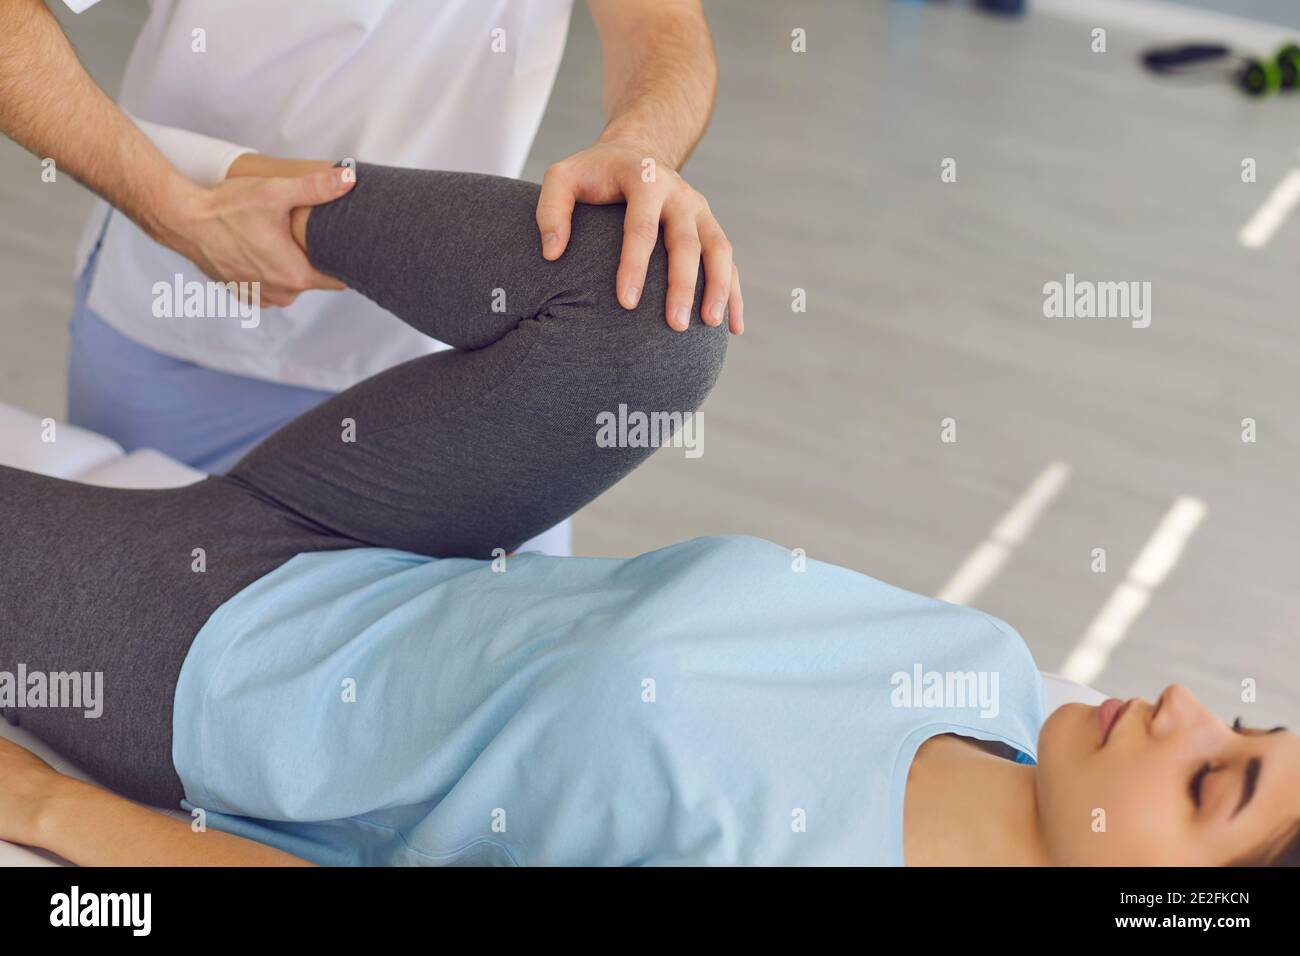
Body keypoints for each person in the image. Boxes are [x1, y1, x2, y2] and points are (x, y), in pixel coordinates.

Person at [1, 163, 1295, 866]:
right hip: (399, 538)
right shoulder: (993, 679)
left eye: (1214, 780)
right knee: (655, 313)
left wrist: (47, 815)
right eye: (1246, 724)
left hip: (216, 661)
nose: (1185, 709)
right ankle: (258, 208)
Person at [0, 0, 742, 556]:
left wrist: (641, 142)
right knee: (149, 613)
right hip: (180, 325)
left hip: (455, 364)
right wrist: (174, 209)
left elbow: (661, 21)